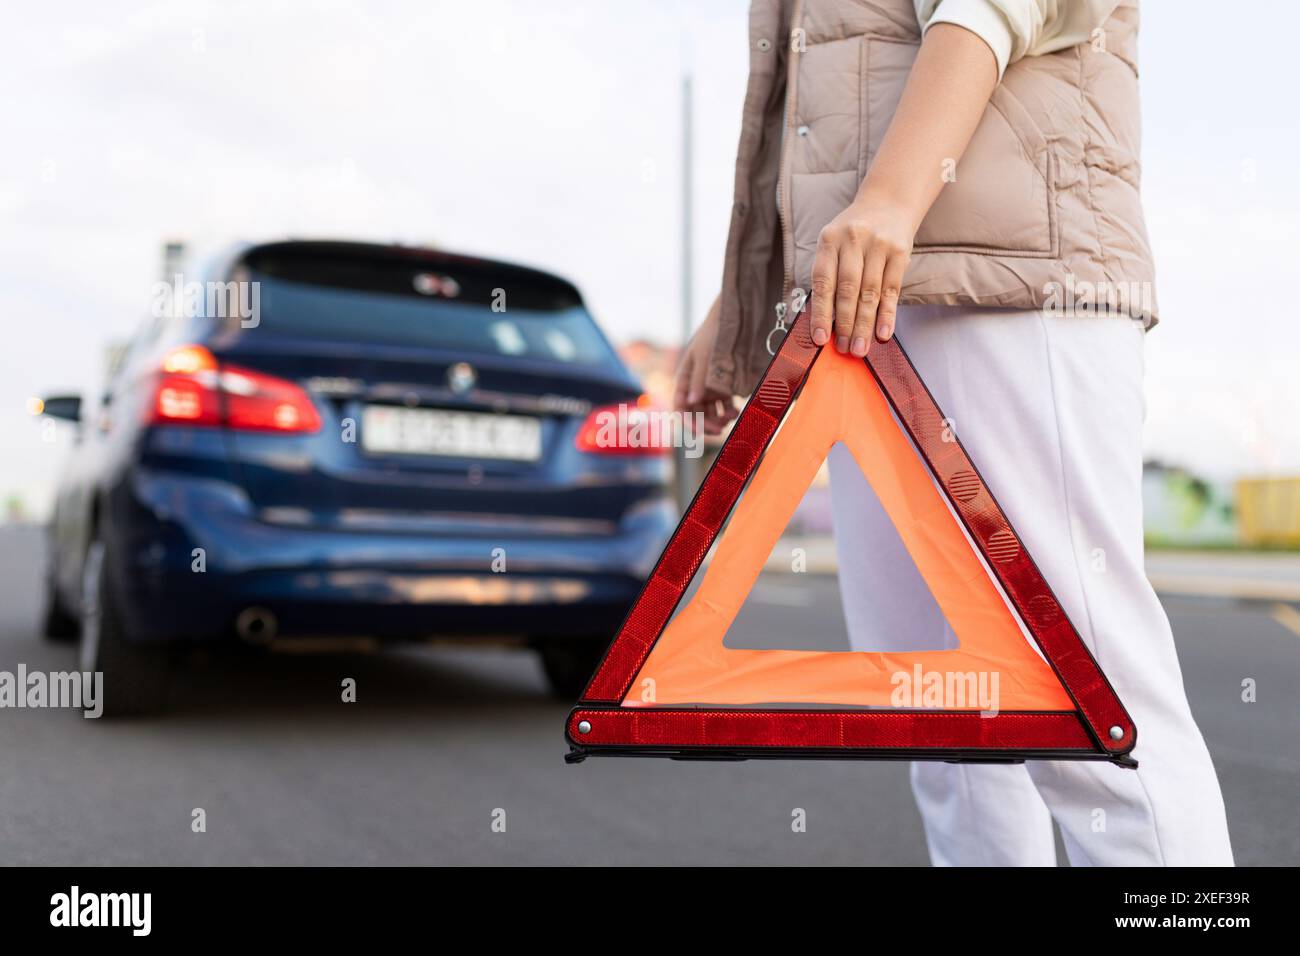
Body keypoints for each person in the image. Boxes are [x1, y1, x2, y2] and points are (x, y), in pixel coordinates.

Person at [674, 0, 1233, 866]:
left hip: (1009, 281)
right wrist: (741, 300)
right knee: (946, 719)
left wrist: (894, 198)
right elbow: (830, 91)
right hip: (865, 301)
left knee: (1095, 713)